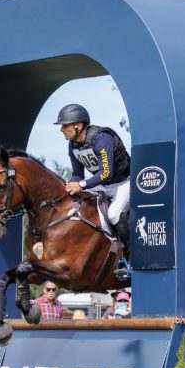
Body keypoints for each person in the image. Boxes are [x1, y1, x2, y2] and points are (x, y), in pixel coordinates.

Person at [56, 104, 131, 256]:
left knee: (114, 214)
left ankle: (131, 256)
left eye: (65, 125)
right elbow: (78, 174)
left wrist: (81, 185)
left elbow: (106, 173)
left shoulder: (102, 138)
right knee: (75, 208)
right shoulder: (73, 145)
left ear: (79, 125)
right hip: (101, 185)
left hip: (124, 182)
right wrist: (71, 185)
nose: (61, 129)